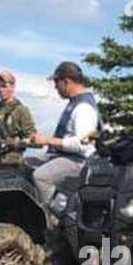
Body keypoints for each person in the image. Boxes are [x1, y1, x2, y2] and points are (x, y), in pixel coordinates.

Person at [29, 61, 100, 204]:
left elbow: (83, 145)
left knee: (40, 177)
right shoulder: (75, 103)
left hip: (79, 161)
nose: (55, 87)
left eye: (57, 83)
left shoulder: (84, 108)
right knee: (23, 165)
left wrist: (47, 140)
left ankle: (54, 218)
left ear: (67, 81)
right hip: (64, 156)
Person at [0, 70, 37, 151]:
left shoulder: (21, 110)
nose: (0, 89)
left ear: (12, 87)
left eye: (4, 86)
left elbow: (33, 139)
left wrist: (14, 143)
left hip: (12, 160)